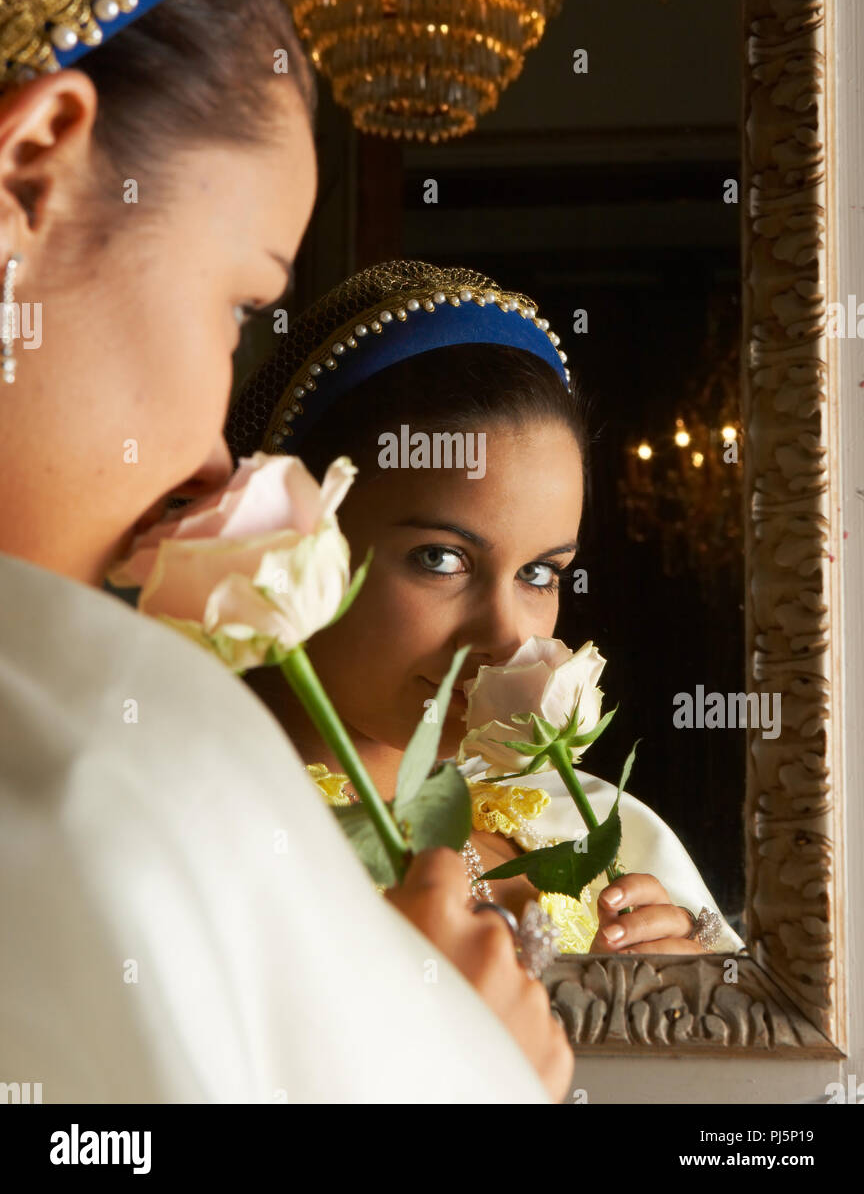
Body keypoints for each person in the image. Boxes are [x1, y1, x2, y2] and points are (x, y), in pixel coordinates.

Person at [0, 0, 571, 1103]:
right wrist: (427, 1052)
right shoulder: (98, 773)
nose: (215, 459)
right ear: (35, 165)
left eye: (549, 564)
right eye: (239, 307)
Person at [227, 260, 746, 958]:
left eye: (540, 573)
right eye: (441, 558)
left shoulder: (582, 822)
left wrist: (690, 984)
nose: (507, 637)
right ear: (295, 538)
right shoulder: (217, 841)